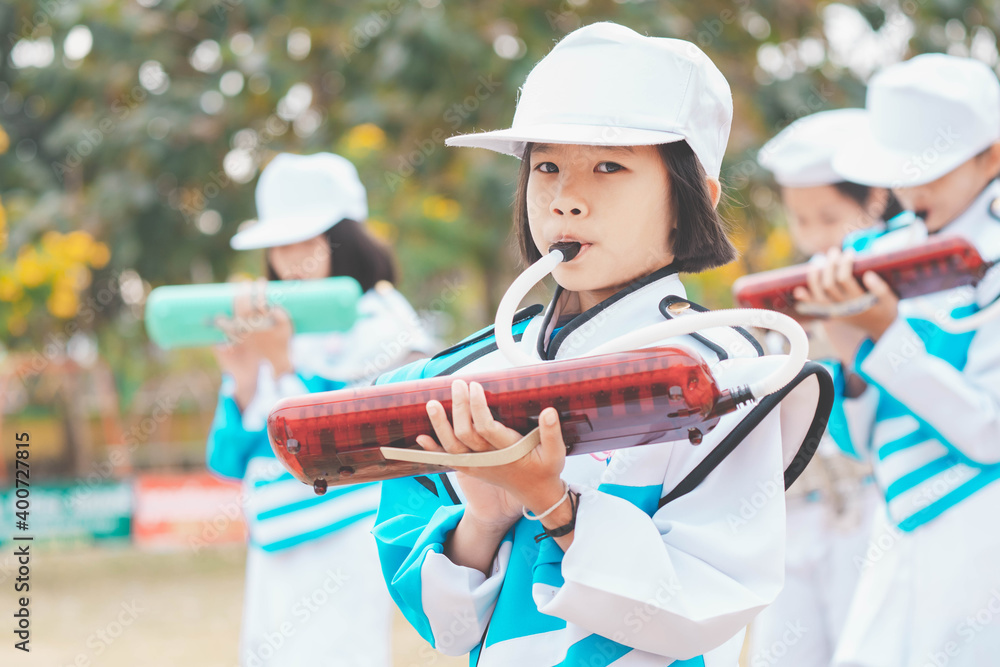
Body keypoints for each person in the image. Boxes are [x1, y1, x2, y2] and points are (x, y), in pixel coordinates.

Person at [370, 23, 833, 666]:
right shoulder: (464, 378)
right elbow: (447, 634)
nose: (566, 200)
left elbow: (699, 610)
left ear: (695, 197)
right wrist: (485, 519)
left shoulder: (725, 372)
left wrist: (553, 505)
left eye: (609, 166)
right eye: (547, 167)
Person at [795, 54, 1000, 667]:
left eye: (930, 173)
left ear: (992, 156)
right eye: (900, 175)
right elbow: (864, 442)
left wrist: (885, 334)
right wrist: (848, 346)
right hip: (898, 521)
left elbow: (989, 433)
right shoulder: (879, 253)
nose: (911, 192)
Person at [206, 152, 436, 667]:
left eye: (305, 243)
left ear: (343, 240)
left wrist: (283, 364)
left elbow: (351, 440)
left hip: (347, 529)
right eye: (279, 246)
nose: (290, 261)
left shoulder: (383, 322)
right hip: (274, 538)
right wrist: (243, 379)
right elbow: (228, 460)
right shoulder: (273, 322)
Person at [751, 109, 899, 666]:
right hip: (792, 516)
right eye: (800, 218)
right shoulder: (786, 302)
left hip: (866, 507)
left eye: (829, 217)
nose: (813, 236)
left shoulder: (895, 293)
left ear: (875, 201)